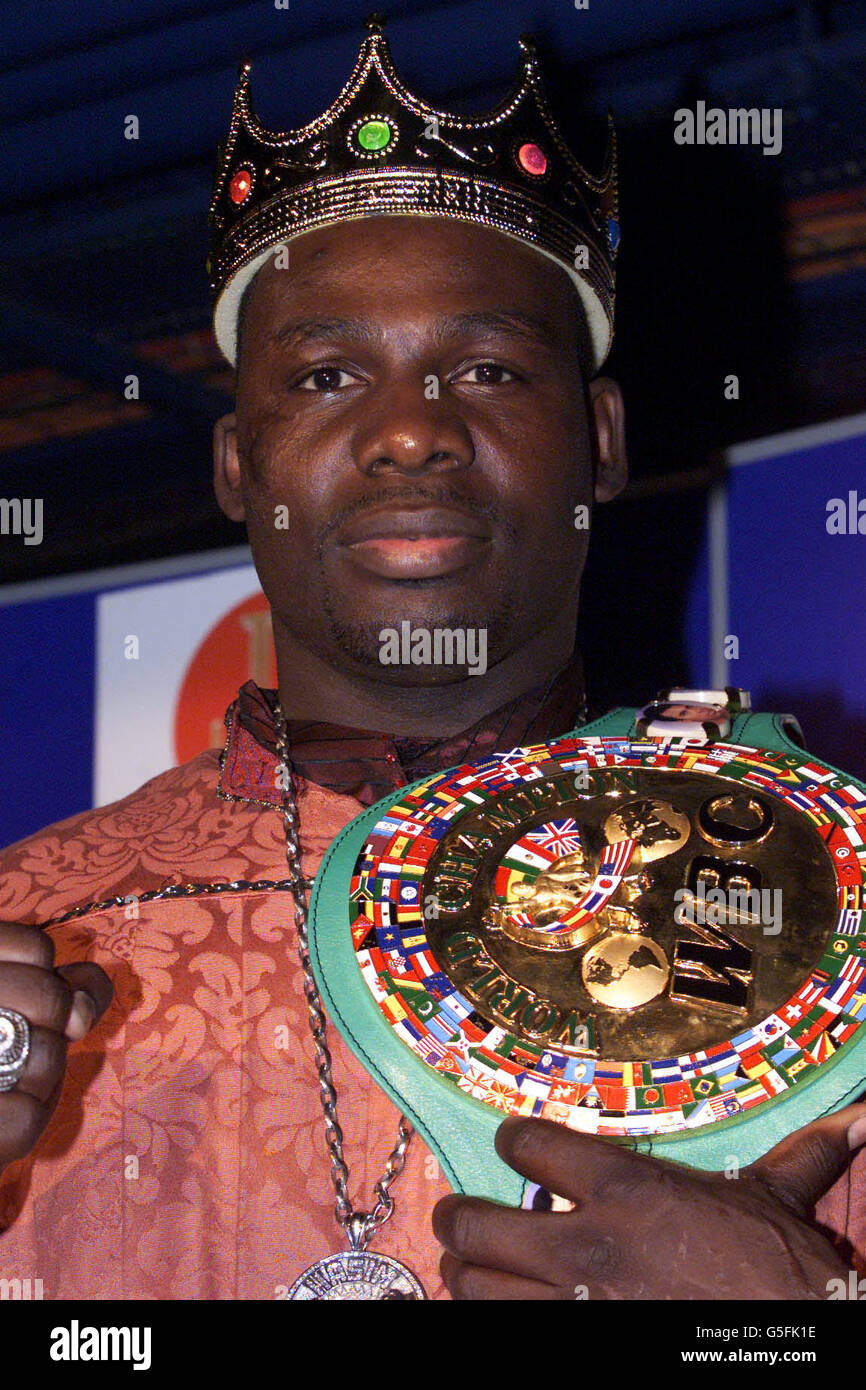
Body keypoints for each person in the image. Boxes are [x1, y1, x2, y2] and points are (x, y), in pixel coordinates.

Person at [0, 20, 863, 1301]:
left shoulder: (836, 908)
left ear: (601, 442)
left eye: (487, 367)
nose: (411, 433)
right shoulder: (42, 927)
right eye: (330, 374)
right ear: (238, 466)